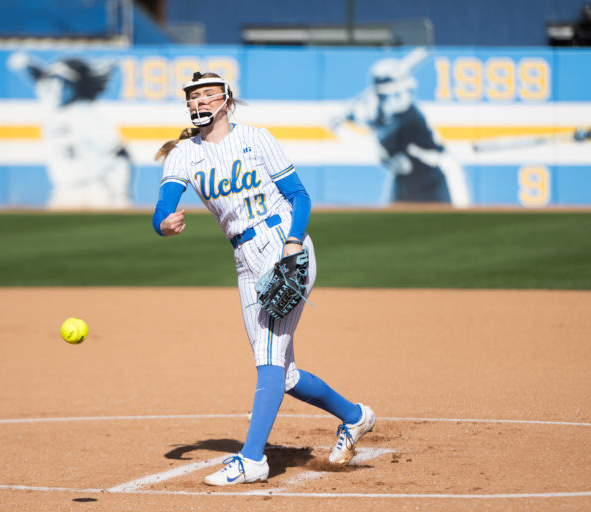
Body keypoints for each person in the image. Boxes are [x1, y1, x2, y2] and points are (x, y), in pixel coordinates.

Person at [152, 71, 375, 486]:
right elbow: (163, 206)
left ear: (226, 99)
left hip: (283, 245)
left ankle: (252, 459)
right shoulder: (183, 154)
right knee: (284, 374)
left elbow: (300, 196)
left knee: (268, 357)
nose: (199, 102)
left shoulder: (256, 138)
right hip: (244, 258)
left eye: (207, 94)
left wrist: (293, 243)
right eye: (193, 97)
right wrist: (163, 222)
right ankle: (355, 416)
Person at [334, 56, 470, 208]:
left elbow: (379, 132)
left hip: (433, 177)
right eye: (392, 95)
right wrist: (346, 119)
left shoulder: (411, 118)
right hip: (406, 178)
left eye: (403, 92)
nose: (403, 96)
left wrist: (348, 121)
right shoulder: (385, 113)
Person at [7, 52, 132, 209]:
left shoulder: (84, 113)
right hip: (62, 190)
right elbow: (23, 66)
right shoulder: (51, 107)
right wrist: (29, 65)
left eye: (64, 83)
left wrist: (121, 195)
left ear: (75, 87)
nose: (57, 87)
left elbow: (120, 154)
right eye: (53, 81)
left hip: (93, 189)